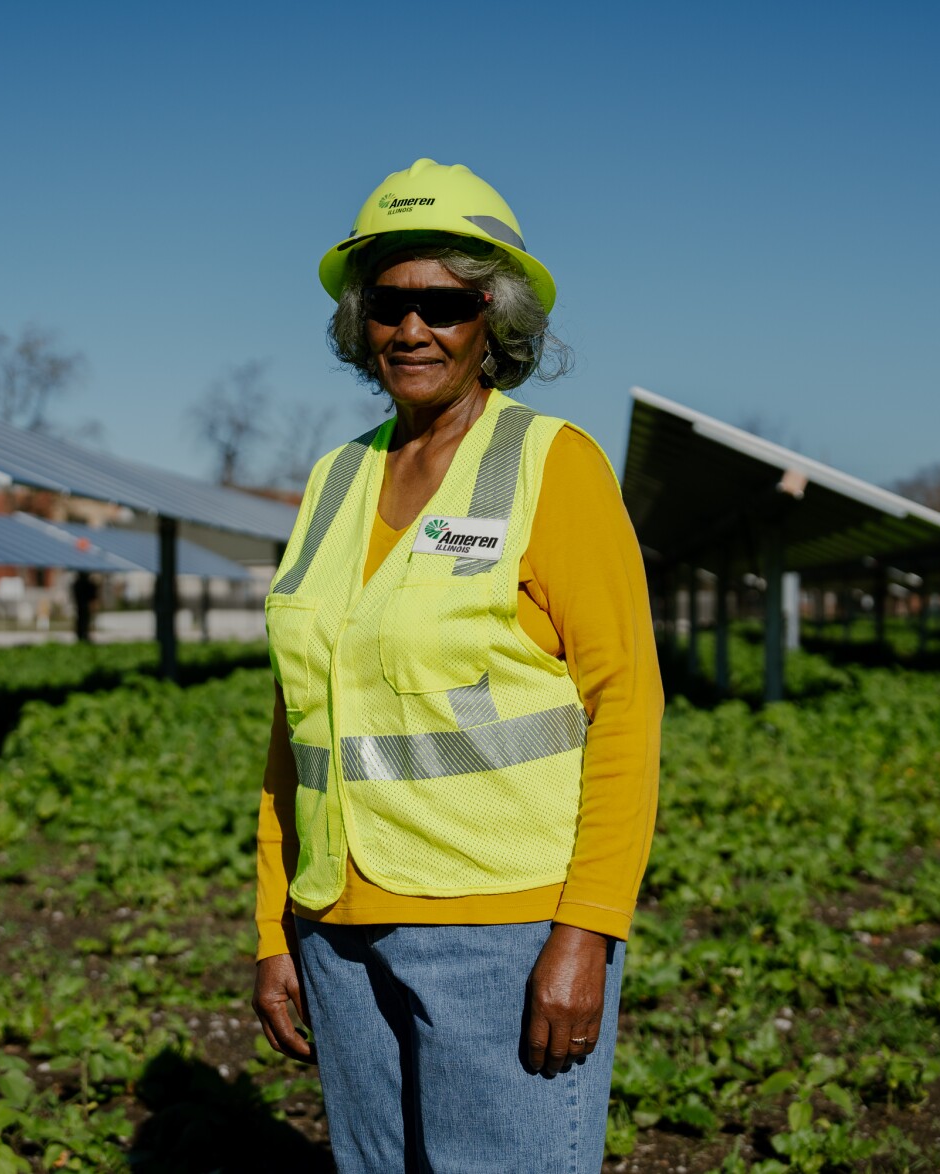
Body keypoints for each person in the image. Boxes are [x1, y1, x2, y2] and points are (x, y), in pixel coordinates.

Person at [252, 158, 662, 1172]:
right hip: (335, 933)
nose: (412, 328)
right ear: (360, 319)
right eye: (389, 302)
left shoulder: (548, 465)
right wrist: (275, 925)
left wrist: (585, 933)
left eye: (446, 302)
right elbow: (294, 724)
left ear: (496, 320)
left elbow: (626, 709)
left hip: (502, 934)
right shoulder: (332, 478)